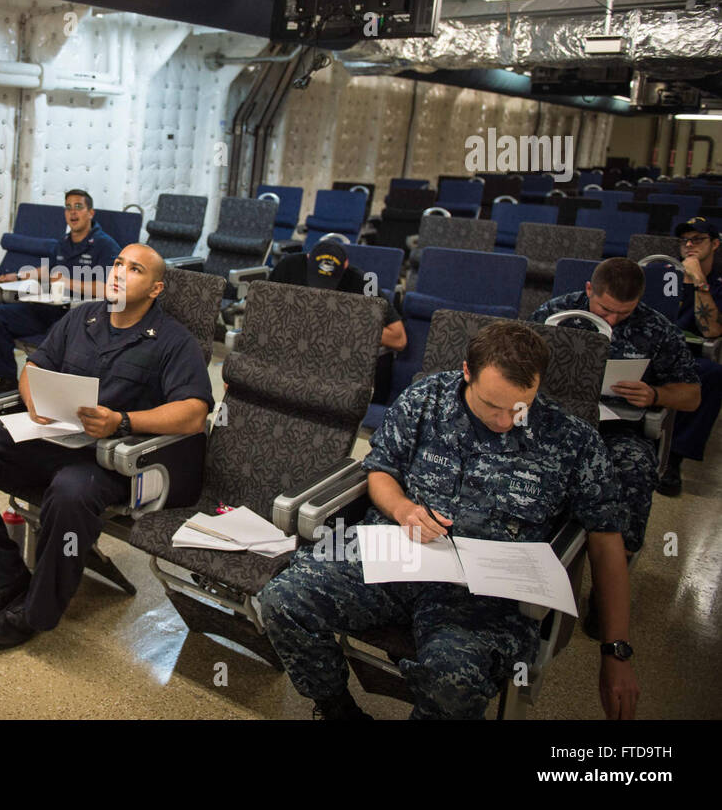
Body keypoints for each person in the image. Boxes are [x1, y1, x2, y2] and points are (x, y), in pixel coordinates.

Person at [259, 321, 639, 720]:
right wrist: (404, 509)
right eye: (493, 405)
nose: (506, 420)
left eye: (519, 407)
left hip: (482, 596)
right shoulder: (426, 399)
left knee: (453, 680)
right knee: (284, 601)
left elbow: (605, 538)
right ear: (467, 373)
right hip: (397, 554)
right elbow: (381, 470)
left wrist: (616, 651)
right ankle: (338, 709)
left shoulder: (571, 440)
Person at [0, 244, 212, 649]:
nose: (119, 273)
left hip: (111, 458)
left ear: (155, 289)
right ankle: (5, 579)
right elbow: (34, 366)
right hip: (52, 437)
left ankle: (36, 611)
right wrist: (33, 400)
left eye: (134, 269)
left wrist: (123, 420)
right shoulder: (84, 316)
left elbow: (193, 412)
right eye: (118, 264)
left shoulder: (172, 340)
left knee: (69, 492)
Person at [530, 258, 700, 555]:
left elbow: (692, 395)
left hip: (619, 430)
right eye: (605, 309)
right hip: (554, 420)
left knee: (634, 468)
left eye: (624, 312)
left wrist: (655, 395)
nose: (612, 320)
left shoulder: (656, 328)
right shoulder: (556, 315)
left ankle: (619, 557)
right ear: (588, 290)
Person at [0, 189, 121, 404]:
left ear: (90, 212)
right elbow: (48, 270)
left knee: (57, 334)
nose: (73, 212)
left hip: (79, 315)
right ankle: (6, 383)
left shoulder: (105, 245)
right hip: (50, 307)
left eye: (79, 206)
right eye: (68, 207)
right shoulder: (63, 242)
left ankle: (42, 395)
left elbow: (108, 288)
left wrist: (67, 281)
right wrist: (17, 275)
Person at [662, 216, 722, 494]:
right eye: (685, 240)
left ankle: (674, 459)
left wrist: (698, 280)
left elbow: (711, 331)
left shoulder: (718, 282)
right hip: (657, 347)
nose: (689, 245)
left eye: (697, 239)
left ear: (715, 244)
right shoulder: (665, 273)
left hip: (690, 353)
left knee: (712, 375)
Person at [270, 240, 407, 351]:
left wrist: (344, 324)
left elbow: (399, 339)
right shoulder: (288, 267)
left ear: (346, 265)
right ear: (308, 258)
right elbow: (263, 311)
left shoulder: (362, 282)